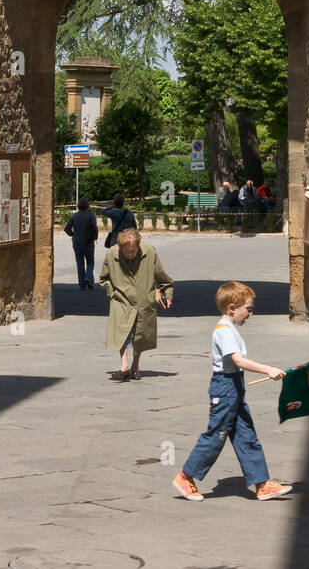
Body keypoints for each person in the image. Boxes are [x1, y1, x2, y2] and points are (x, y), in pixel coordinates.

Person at [172, 280, 292, 501]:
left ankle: (262, 484)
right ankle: (185, 476)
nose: (251, 313)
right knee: (216, 435)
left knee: (246, 434)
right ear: (232, 307)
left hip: (233, 385)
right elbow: (237, 360)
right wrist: (268, 369)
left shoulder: (228, 329)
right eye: (248, 308)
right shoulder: (224, 331)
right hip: (225, 386)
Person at [99, 228, 174, 380]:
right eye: (126, 251)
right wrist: (112, 293)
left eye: (132, 251)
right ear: (120, 247)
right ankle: (124, 366)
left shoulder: (149, 252)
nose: (129, 254)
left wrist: (168, 295)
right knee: (122, 333)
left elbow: (163, 277)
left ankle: (136, 365)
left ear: (138, 246)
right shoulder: (112, 254)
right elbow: (104, 278)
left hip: (143, 301)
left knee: (139, 335)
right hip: (121, 301)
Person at [63, 195, 98, 290]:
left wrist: (72, 234)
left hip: (77, 242)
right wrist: (94, 238)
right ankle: (88, 277)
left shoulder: (75, 216)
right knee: (90, 261)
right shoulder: (91, 216)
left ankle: (82, 285)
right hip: (88, 242)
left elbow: (66, 228)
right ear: (88, 206)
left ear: (78, 206)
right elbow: (95, 228)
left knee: (80, 263)